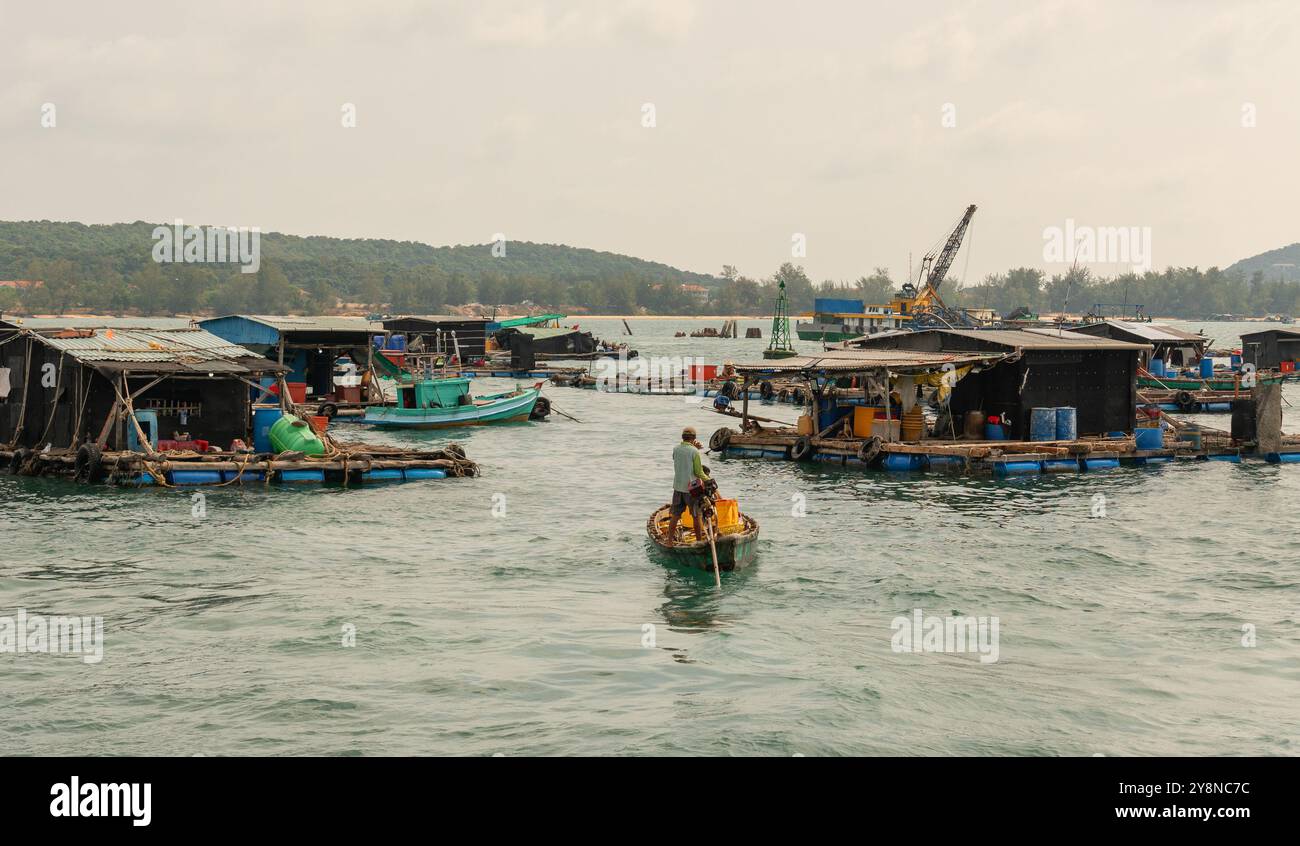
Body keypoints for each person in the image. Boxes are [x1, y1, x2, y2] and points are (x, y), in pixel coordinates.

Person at [667, 426, 709, 544]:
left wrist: (693, 449)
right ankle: (699, 541)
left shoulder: (676, 449)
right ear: (694, 438)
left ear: (683, 437)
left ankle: (669, 541)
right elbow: (698, 472)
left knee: (675, 516)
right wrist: (708, 480)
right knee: (696, 516)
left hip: (678, 488)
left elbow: (680, 460)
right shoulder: (694, 451)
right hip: (692, 489)